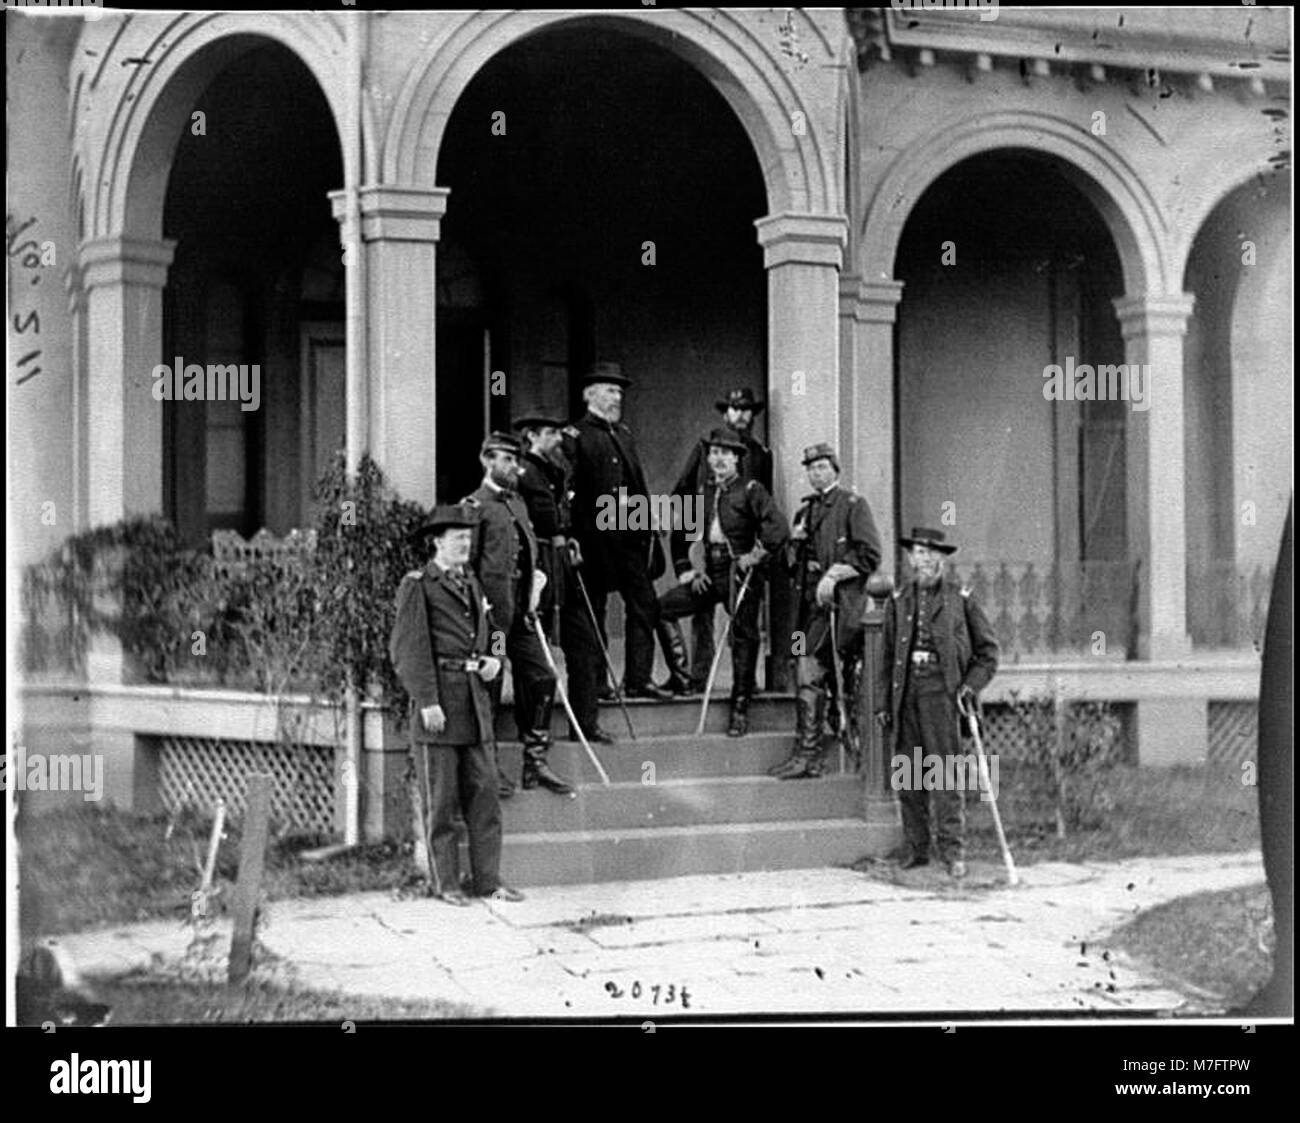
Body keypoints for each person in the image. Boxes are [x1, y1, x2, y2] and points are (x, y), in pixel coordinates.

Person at [388, 504, 524, 906]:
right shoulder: (418, 585)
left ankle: (488, 881)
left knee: (485, 797)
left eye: (468, 537)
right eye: (457, 538)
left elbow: (494, 630)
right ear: (437, 542)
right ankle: (444, 884)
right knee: (442, 802)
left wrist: (496, 659)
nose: (465, 543)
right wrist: (427, 700)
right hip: (440, 707)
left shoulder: (473, 583)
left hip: (475, 702)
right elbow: (407, 648)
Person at [873, 527, 1000, 879]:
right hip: (906, 694)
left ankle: (953, 851)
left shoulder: (961, 599)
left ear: (942, 558)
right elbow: (885, 658)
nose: (923, 559)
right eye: (917, 552)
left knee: (944, 775)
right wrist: (884, 703)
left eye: (930, 553)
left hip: (943, 695)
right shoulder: (899, 600)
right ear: (910, 558)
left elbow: (988, 654)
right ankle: (916, 849)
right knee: (910, 774)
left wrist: (969, 688)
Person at [462, 432, 575, 797]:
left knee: (543, 677)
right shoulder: (474, 507)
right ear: (487, 461)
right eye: (507, 460)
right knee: (490, 689)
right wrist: (479, 613)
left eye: (516, 460)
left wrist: (535, 590)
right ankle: (488, 768)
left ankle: (535, 762)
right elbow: (467, 569)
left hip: (521, 614)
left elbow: (531, 559)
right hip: (493, 621)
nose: (515, 467)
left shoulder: (519, 504)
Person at [657, 427, 788, 735]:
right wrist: (688, 568)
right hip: (707, 571)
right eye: (714, 453)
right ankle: (683, 678)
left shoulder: (752, 489)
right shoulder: (702, 492)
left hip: (738, 572)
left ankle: (740, 706)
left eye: (725, 454)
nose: (718, 459)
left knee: (744, 634)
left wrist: (754, 555)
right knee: (660, 609)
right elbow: (682, 533)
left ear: (737, 459)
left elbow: (778, 528)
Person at [769, 442, 882, 780]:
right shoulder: (804, 513)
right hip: (805, 611)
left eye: (821, 466)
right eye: (810, 467)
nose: (815, 473)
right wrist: (796, 542)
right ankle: (810, 754)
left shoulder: (852, 505)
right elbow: (790, 566)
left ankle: (808, 755)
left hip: (836, 608)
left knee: (810, 671)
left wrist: (835, 574)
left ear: (835, 469)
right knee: (804, 669)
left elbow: (870, 554)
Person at [565, 360, 671, 703]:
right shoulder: (575, 437)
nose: (617, 398)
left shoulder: (624, 435)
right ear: (588, 395)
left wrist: (648, 521)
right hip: (594, 539)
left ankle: (638, 679)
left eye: (619, 392)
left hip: (629, 537)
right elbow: (567, 493)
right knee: (594, 612)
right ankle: (598, 684)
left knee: (645, 605)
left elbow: (634, 487)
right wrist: (572, 535)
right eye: (610, 390)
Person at [513, 412, 613, 744]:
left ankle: (586, 724)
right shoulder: (523, 474)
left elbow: (561, 515)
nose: (559, 440)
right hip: (537, 571)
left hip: (564, 569)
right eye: (551, 434)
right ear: (532, 437)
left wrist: (566, 537)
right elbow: (533, 521)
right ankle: (533, 734)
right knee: (536, 654)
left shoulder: (557, 471)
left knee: (584, 644)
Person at [669, 388, 774, 692]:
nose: (740, 414)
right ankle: (695, 678)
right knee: (699, 613)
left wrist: (756, 552)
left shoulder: (760, 454)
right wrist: (684, 557)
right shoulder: (705, 449)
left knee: (743, 621)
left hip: (741, 551)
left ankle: (746, 682)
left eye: (746, 409)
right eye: (734, 408)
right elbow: (684, 494)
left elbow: (765, 504)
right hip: (705, 544)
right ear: (724, 413)